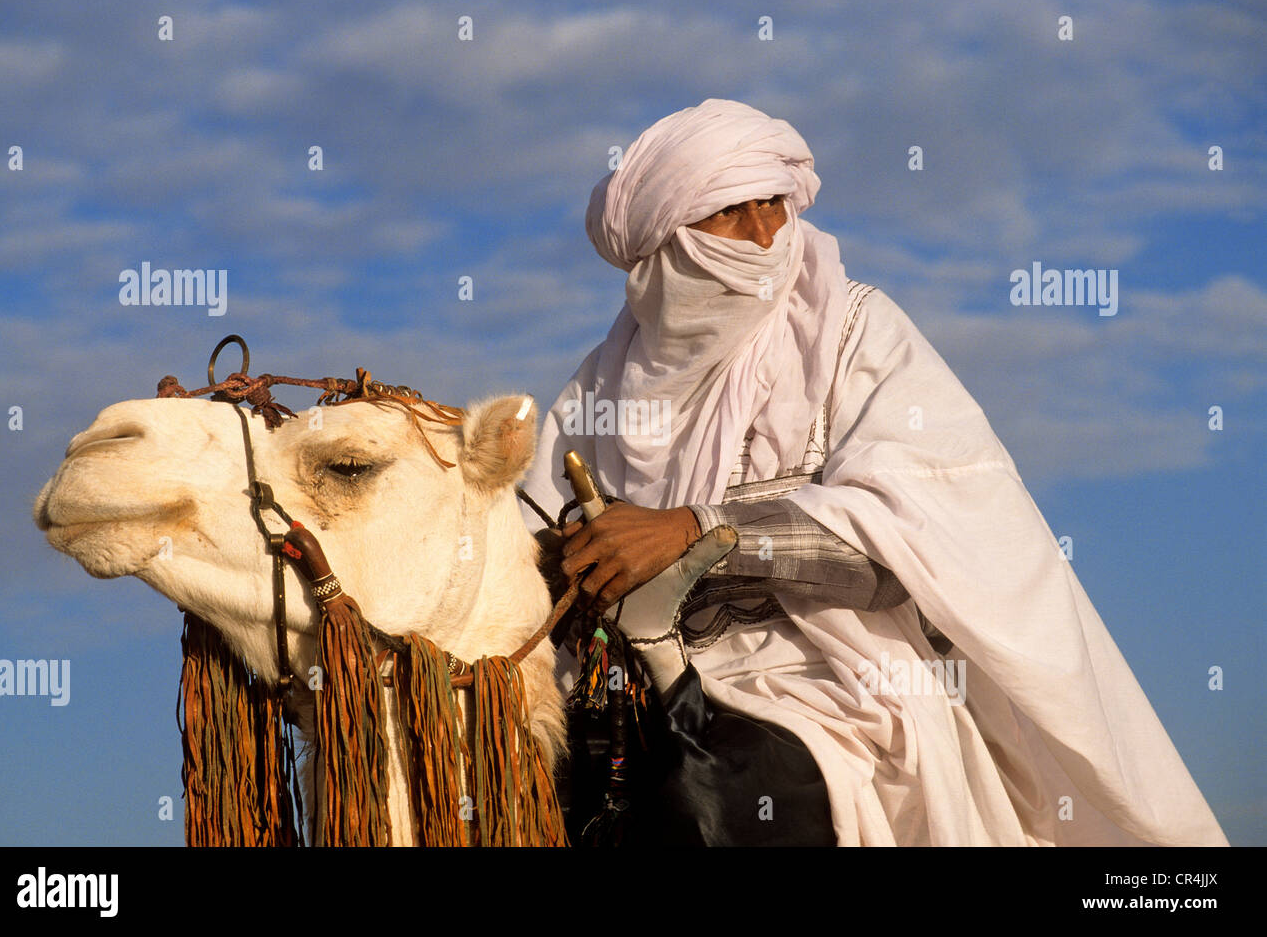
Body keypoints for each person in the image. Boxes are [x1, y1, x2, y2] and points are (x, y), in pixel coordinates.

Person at [521, 98, 1227, 846]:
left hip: (839, 685)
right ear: (665, 241)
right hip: (626, 702)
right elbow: (529, 569)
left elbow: (918, 541)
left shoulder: (855, 334)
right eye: (732, 214)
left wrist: (697, 532)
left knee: (714, 807)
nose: (765, 237)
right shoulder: (595, 393)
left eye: (775, 206)